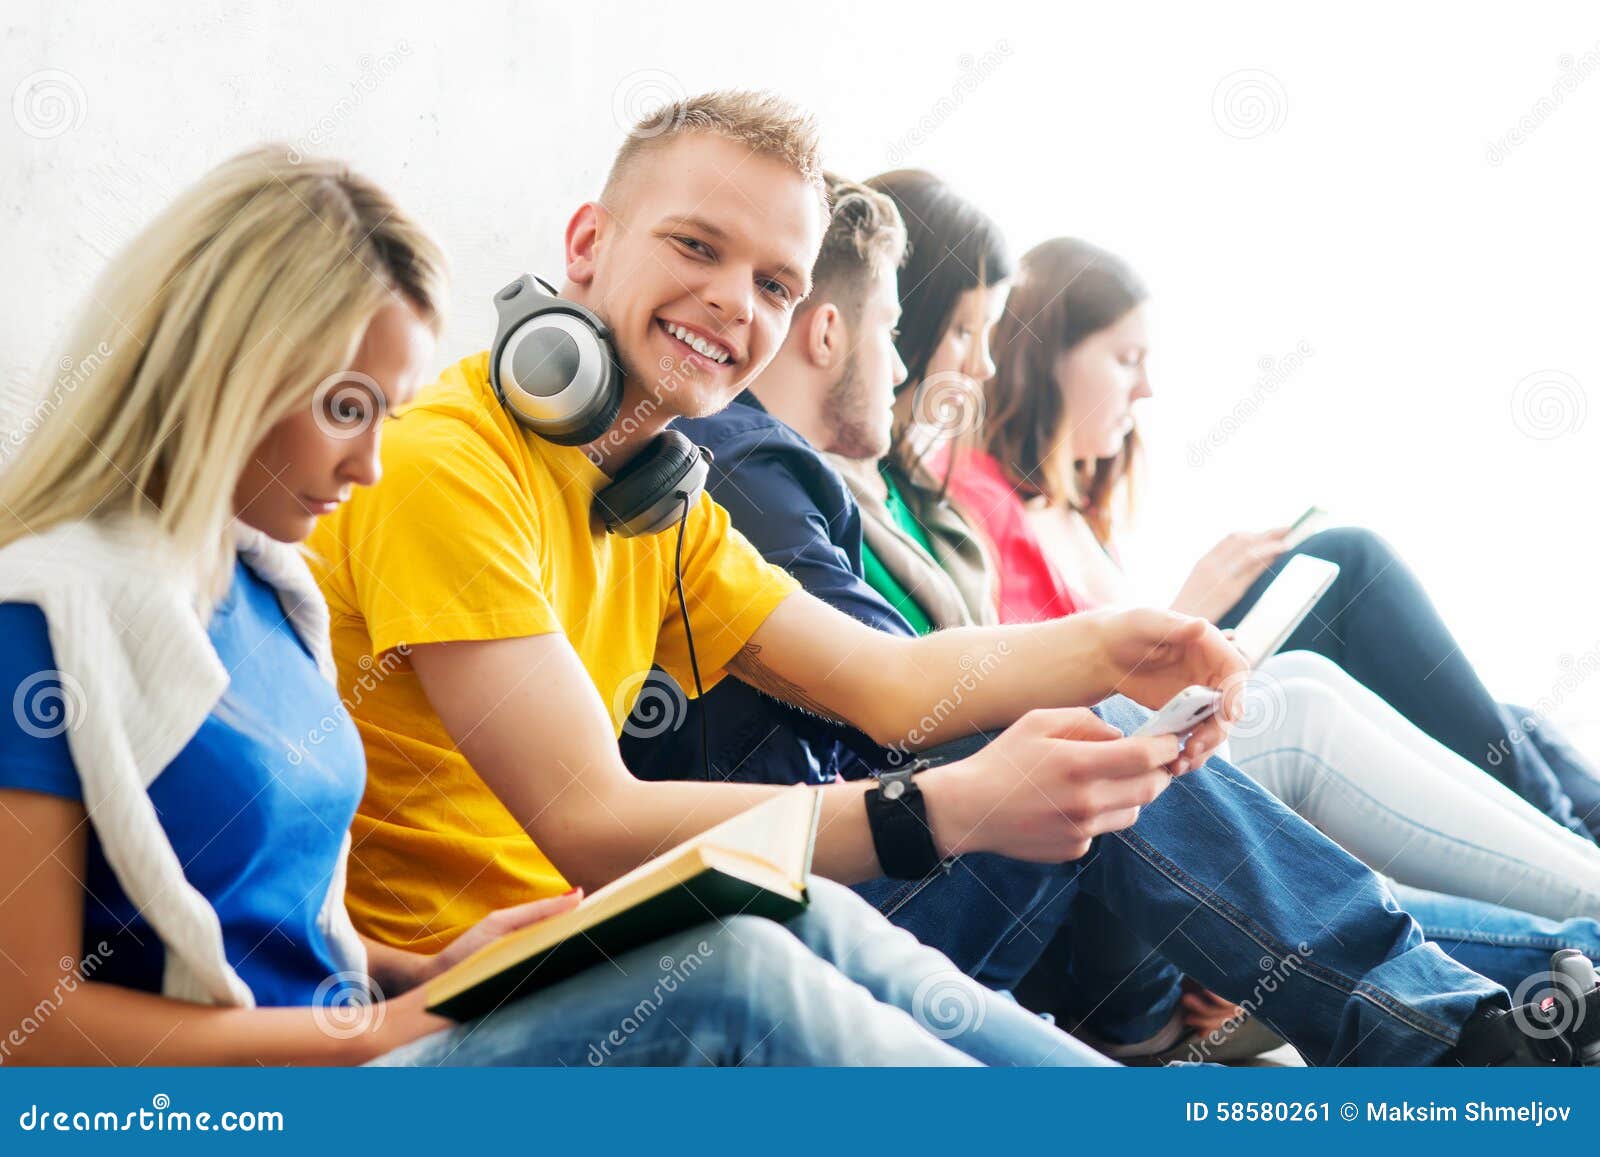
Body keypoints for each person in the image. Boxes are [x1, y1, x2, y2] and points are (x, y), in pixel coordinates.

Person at [0, 146, 1115, 1069]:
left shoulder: (260, 588)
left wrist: (412, 967)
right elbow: (26, 1035)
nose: (372, 464)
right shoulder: (43, 618)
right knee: (735, 971)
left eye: (777, 283)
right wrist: (375, 1025)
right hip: (294, 1085)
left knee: (785, 915)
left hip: (371, 1025)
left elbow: (279, 920)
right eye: (348, 407)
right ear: (227, 365)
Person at [971, 235, 1600, 843]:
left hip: (1183, 700)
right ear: (1045, 355)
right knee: (1349, 560)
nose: (1147, 389)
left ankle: (1582, 829)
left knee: (1513, 720)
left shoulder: (1078, 518)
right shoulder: (992, 512)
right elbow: (1063, 696)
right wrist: (1191, 610)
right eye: (1126, 359)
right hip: (1148, 751)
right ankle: (1571, 841)